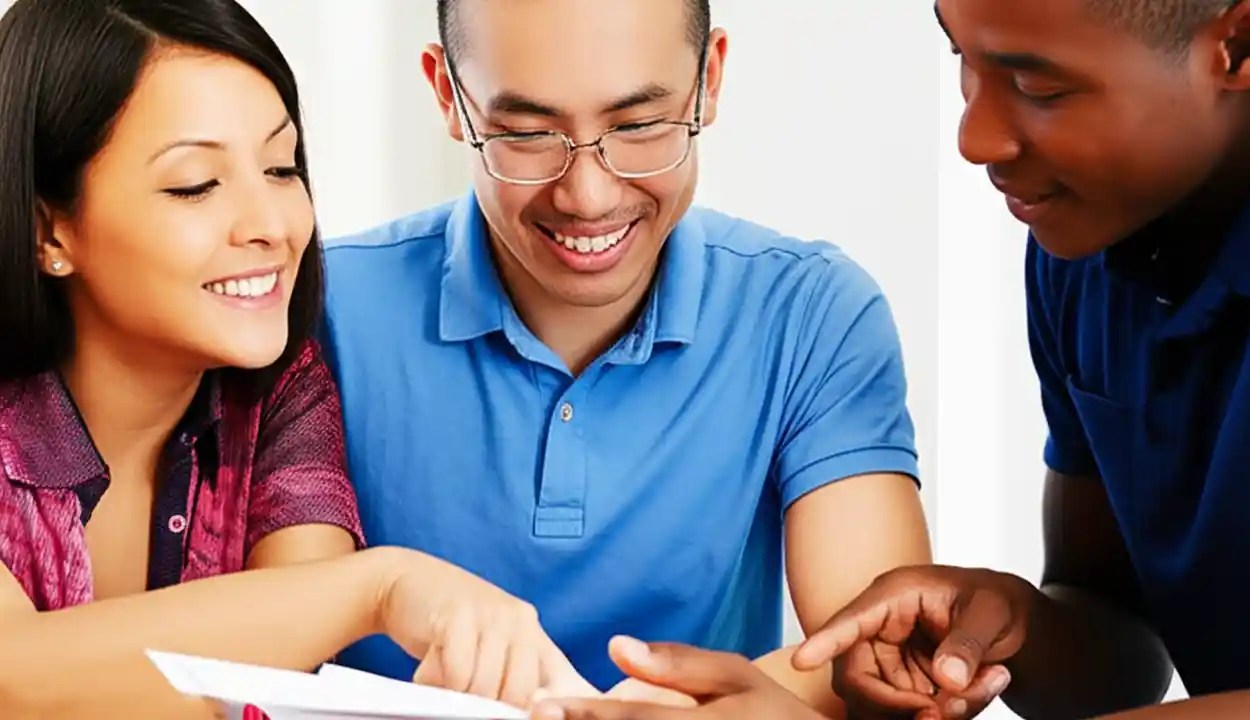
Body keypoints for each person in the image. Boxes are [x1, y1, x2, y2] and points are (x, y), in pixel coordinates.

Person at [320, 0, 930, 713]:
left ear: (709, 82)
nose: (589, 195)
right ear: (448, 97)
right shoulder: (318, 314)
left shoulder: (810, 313)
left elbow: (877, 653)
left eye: (639, 127)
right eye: (526, 133)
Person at [0, 1, 594, 717]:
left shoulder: (284, 396)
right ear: (47, 231)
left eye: (281, 169)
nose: (273, 227)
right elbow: (15, 680)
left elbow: (274, 682)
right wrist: (382, 587)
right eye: (195, 184)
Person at [781, 0, 1250, 718]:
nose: (973, 139)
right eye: (961, 58)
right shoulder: (1087, 246)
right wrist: (1011, 626)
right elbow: (1119, 644)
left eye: (1040, 88)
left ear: (1239, 47)